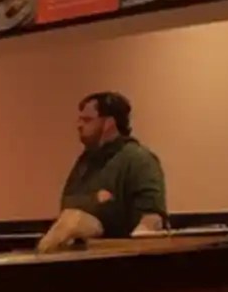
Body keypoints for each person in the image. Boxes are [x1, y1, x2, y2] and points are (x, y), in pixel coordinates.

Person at [37, 92, 166, 253]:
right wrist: (94, 201)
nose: (79, 125)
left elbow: (151, 221)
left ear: (109, 123)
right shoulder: (85, 162)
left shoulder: (139, 160)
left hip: (115, 262)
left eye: (87, 120)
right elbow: (68, 205)